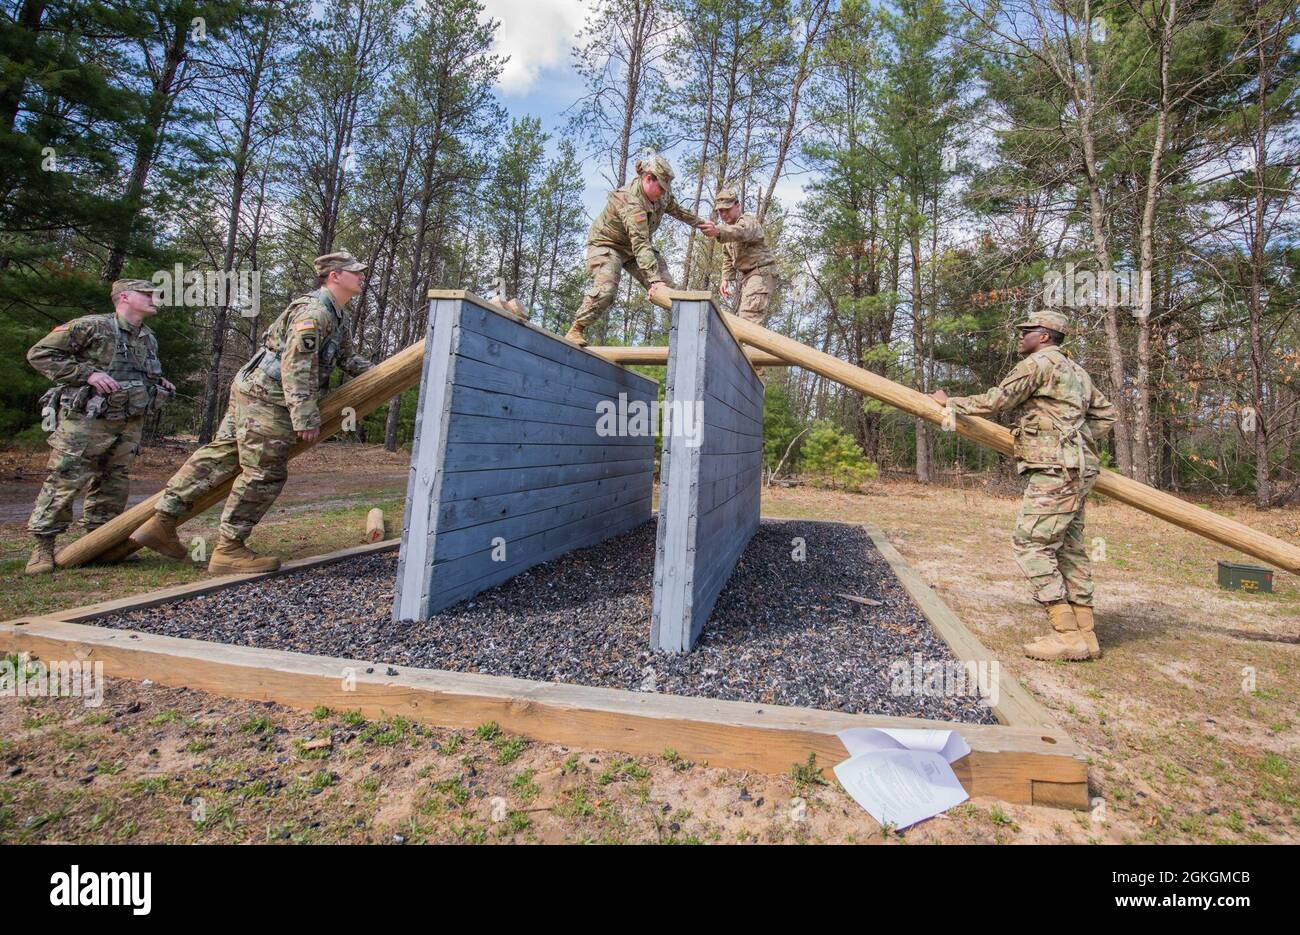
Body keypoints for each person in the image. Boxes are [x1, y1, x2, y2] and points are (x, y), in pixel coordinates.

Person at [132, 252, 374, 573]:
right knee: (265, 471)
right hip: (267, 395)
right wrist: (304, 416)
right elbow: (295, 363)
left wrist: (384, 371)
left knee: (222, 455)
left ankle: (162, 520)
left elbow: (347, 359)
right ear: (334, 276)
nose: (361, 276)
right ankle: (228, 549)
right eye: (354, 272)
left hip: (256, 388)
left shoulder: (336, 315)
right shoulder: (315, 313)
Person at [931, 310, 1117, 661]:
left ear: (1045, 336)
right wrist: (1073, 438)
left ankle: (1065, 634)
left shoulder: (1038, 364)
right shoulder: (1077, 372)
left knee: (1030, 542)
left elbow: (998, 400)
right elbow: (1106, 415)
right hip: (1077, 468)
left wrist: (950, 402)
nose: (1020, 336)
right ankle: (1086, 633)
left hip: (1054, 468)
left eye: (1027, 330)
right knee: (1069, 547)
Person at [24, 279, 175, 575]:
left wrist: (158, 382)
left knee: (114, 481)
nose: (154, 298)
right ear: (124, 297)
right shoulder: (91, 327)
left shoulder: (147, 337)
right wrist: (86, 374)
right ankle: (43, 547)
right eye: (147, 294)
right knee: (65, 479)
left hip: (128, 420)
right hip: (85, 422)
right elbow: (39, 354)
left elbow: (139, 371)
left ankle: (100, 542)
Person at [563, 154, 708, 346]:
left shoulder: (661, 195)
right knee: (607, 289)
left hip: (632, 249)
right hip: (607, 244)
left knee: (668, 288)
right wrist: (653, 281)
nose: (663, 193)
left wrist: (702, 224)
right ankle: (577, 328)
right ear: (648, 179)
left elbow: (678, 210)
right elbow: (641, 243)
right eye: (661, 188)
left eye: (666, 189)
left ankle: (688, 336)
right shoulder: (630, 202)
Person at [698, 188, 778, 324]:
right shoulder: (728, 230)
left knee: (748, 321)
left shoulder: (747, 222)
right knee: (744, 319)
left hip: (760, 274)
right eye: (720, 211)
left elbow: (741, 232)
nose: (723, 214)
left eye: (727, 209)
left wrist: (718, 231)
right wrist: (725, 279)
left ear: (737, 205)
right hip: (749, 277)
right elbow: (728, 257)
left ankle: (748, 346)